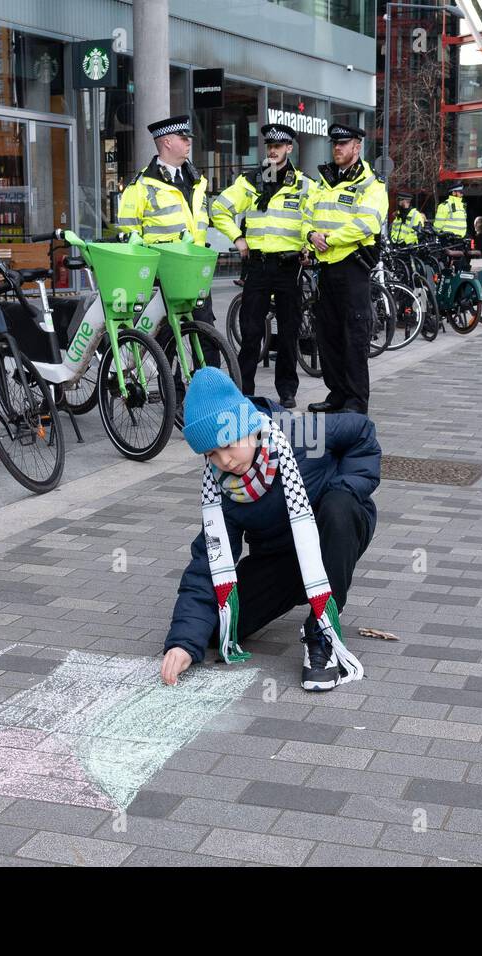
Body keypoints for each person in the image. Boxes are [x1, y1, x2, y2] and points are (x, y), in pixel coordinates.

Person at [160, 367, 380, 692]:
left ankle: (322, 633)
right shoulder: (224, 491)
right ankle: (305, 583)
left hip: (336, 532)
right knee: (215, 631)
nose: (225, 461)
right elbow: (208, 563)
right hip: (283, 558)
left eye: (228, 444)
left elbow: (362, 432)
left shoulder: (302, 434)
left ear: (247, 426)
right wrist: (182, 642)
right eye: (211, 455)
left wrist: (346, 487)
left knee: (339, 508)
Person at [210, 123, 311, 408]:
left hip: (289, 265)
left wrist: (307, 245)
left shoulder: (304, 184)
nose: (273, 150)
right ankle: (244, 389)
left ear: (289, 148)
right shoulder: (252, 181)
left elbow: (312, 221)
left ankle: (287, 390)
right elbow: (218, 208)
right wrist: (238, 238)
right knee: (251, 330)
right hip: (258, 264)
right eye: (269, 146)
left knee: (290, 329)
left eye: (278, 146)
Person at [302, 122, 388, 416]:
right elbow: (307, 214)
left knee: (354, 336)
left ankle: (355, 402)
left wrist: (329, 239)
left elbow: (367, 223)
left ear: (357, 146)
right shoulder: (324, 182)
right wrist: (310, 236)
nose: (337, 148)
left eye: (344, 143)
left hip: (352, 268)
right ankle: (337, 394)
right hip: (325, 269)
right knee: (328, 336)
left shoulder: (371, 184)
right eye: (335, 144)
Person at [116, 115, 216, 323]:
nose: (189, 142)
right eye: (183, 138)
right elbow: (130, 232)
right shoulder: (142, 185)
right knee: (165, 333)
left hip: (195, 268)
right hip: (164, 272)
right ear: (167, 142)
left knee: (206, 330)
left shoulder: (196, 180)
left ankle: (209, 359)